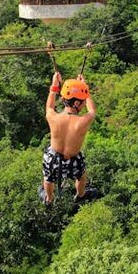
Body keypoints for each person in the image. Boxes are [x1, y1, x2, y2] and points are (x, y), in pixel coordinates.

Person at [40, 71, 99, 205]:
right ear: (77, 103)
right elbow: (92, 111)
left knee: (48, 178)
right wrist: (85, 88)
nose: (84, 104)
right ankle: (80, 195)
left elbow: (49, 106)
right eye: (83, 101)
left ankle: (49, 199)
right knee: (81, 176)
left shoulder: (53, 117)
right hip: (74, 158)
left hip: (54, 156)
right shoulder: (83, 121)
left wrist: (54, 86)